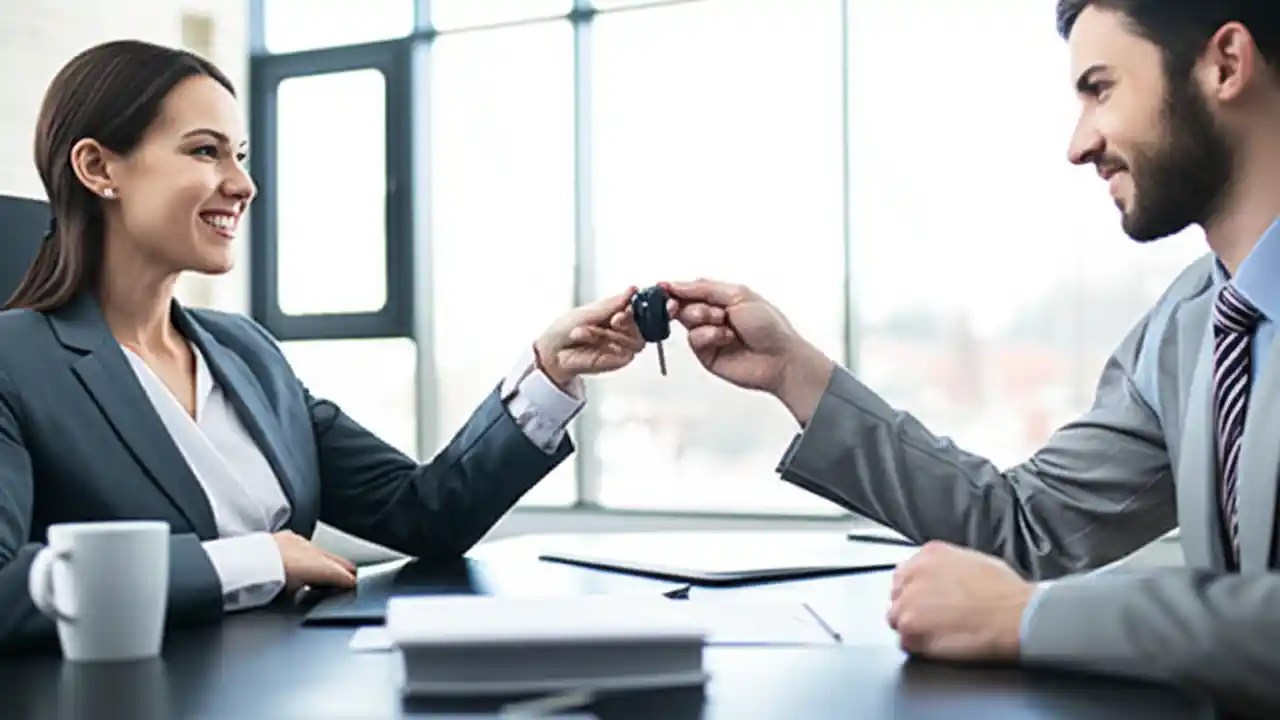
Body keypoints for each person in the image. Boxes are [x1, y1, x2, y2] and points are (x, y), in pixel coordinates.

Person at [665, 0, 1280, 714]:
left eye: (1100, 88)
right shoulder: (1185, 329)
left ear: (1225, 65)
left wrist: (1028, 619)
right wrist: (794, 373)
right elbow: (1027, 526)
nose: (1079, 145)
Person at [0, 40, 645, 650]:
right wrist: (252, 560)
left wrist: (549, 374)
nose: (242, 184)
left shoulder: (246, 353)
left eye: (241, 156)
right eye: (205, 152)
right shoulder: (17, 361)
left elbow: (424, 514)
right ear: (97, 167)